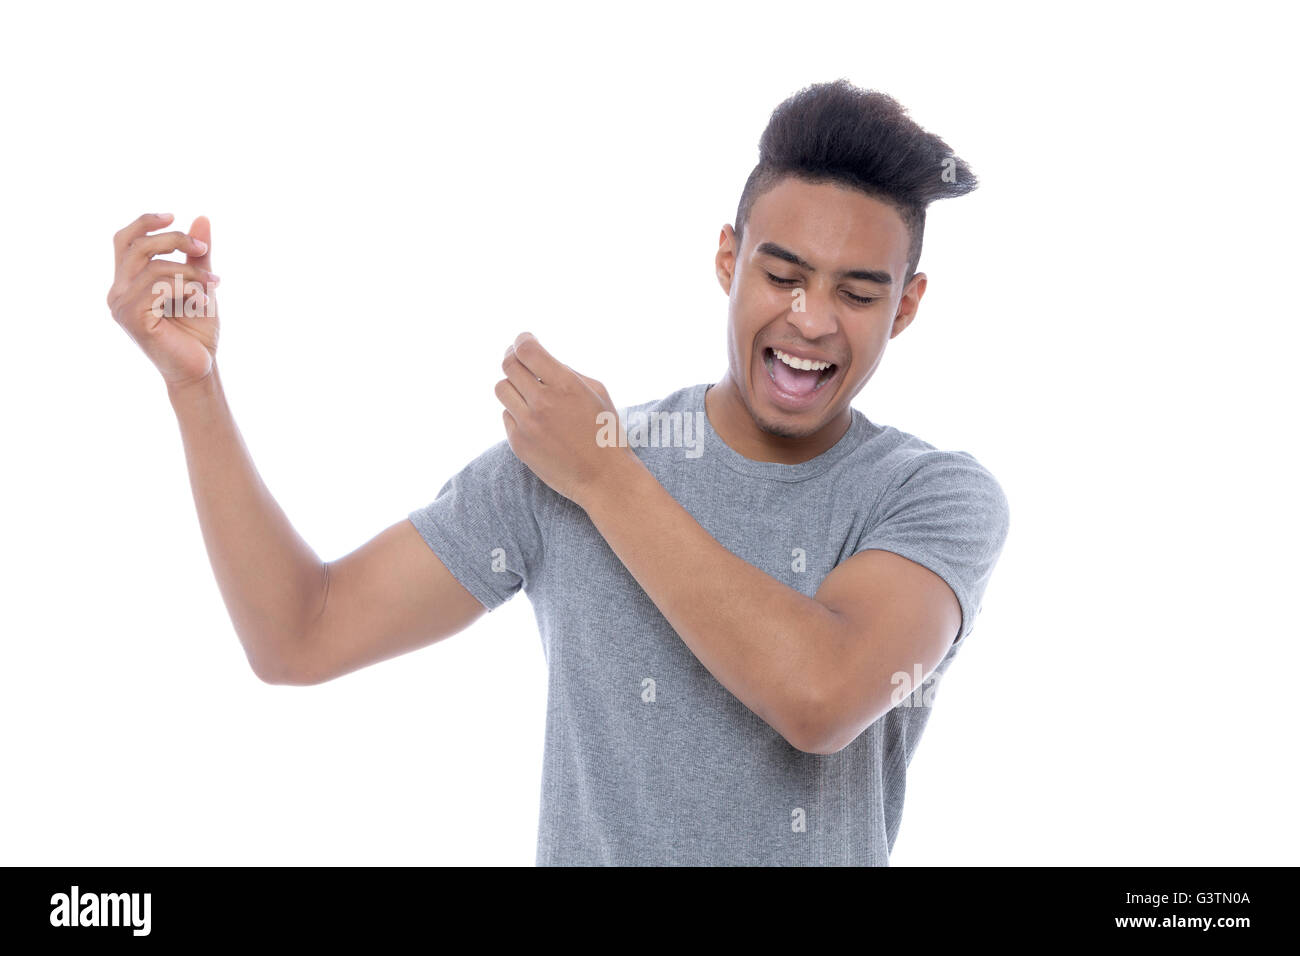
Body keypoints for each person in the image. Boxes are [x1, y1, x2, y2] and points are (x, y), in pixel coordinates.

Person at [106, 78, 1010, 866]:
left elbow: (823, 697)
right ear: (729, 258)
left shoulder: (929, 497)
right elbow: (299, 635)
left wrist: (608, 479)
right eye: (783, 275)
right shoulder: (565, 465)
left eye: (857, 293)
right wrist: (197, 390)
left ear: (906, 307)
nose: (813, 321)